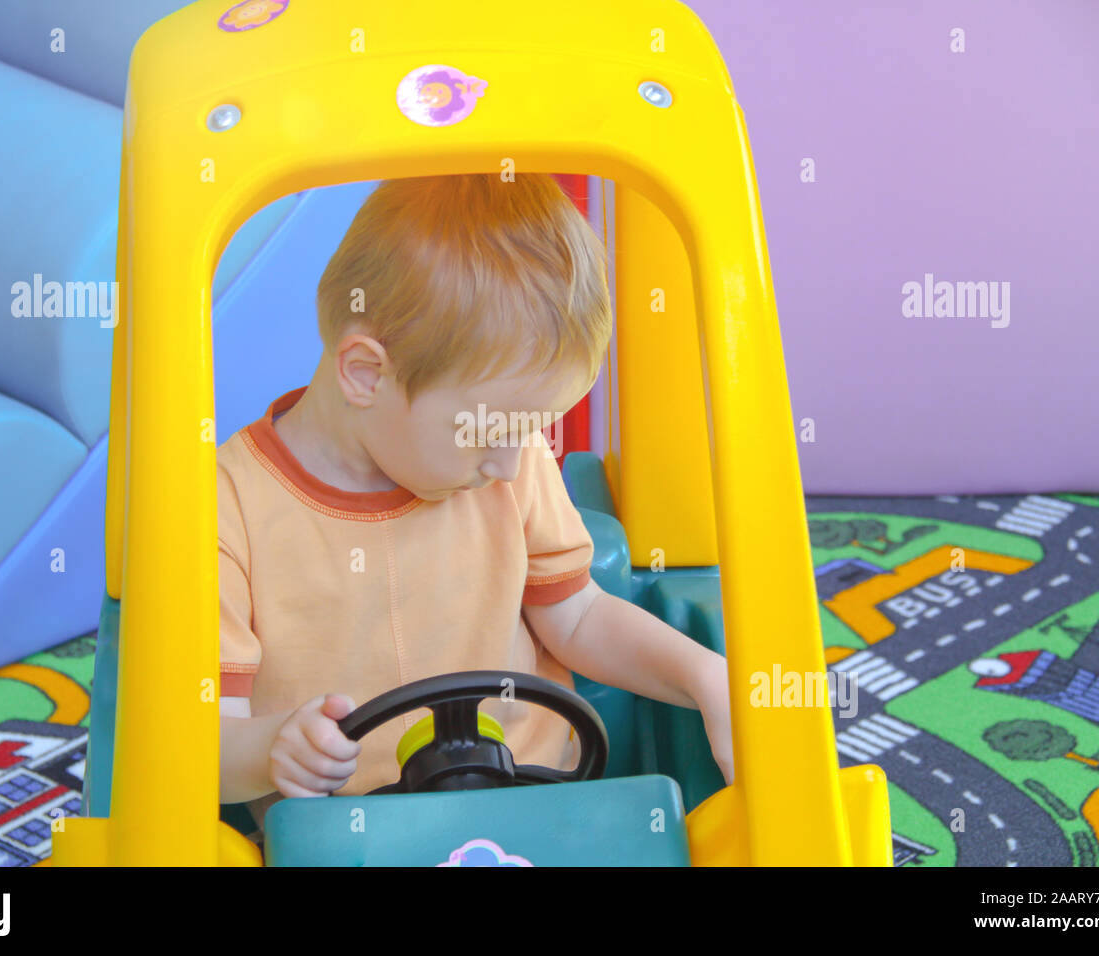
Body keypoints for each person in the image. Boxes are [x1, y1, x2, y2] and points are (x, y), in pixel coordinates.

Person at [216, 173, 733, 832]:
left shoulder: (503, 463)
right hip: (346, 839)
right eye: (491, 432)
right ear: (365, 374)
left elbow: (576, 620)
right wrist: (271, 750)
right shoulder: (230, 508)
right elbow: (201, 738)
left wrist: (704, 675)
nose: (514, 464)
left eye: (532, 432)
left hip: (536, 802)